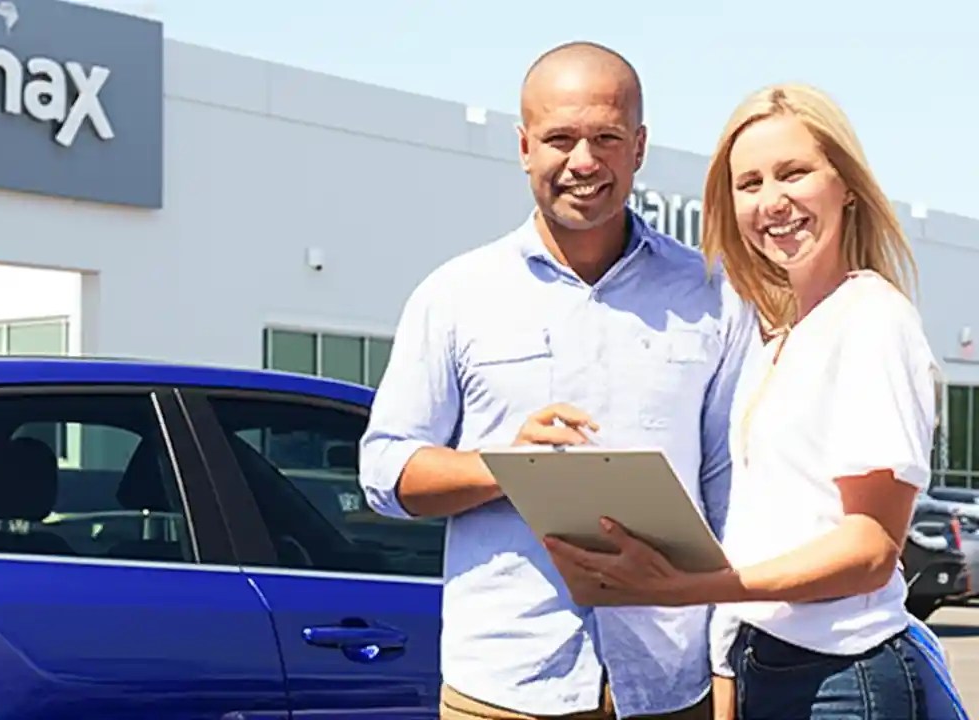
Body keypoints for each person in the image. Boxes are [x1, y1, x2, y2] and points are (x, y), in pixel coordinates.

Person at [358, 40, 755, 719]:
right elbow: (385, 474)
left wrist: (725, 669)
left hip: (668, 684)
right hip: (507, 687)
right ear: (522, 146)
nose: (583, 161)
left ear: (639, 146)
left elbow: (731, 497)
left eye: (605, 137)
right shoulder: (455, 295)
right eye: (559, 138)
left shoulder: (714, 296)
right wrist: (507, 465)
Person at [542, 83, 938, 719]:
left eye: (794, 173)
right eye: (749, 183)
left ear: (847, 186)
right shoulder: (779, 340)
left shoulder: (871, 320)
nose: (772, 202)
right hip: (769, 667)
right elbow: (763, 529)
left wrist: (695, 587)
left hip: (842, 679)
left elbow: (868, 549)